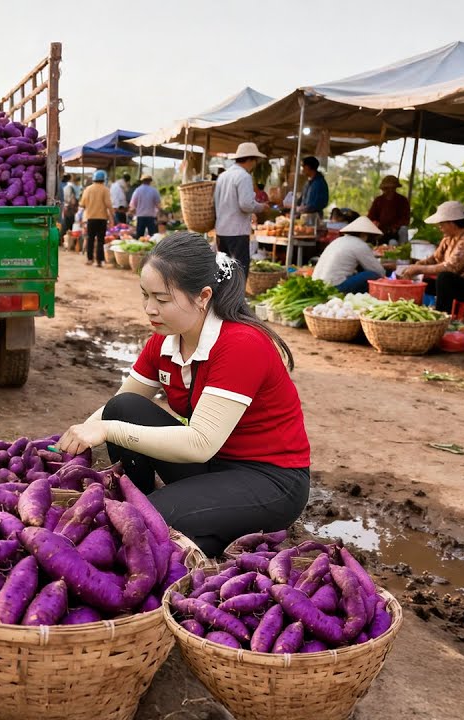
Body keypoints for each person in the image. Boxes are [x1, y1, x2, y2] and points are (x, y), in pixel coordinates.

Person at [56, 232, 309, 557]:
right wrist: (72, 440)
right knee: (123, 407)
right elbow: (117, 406)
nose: (150, 309)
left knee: (146, 526)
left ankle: (208, 531)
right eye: (145, 296)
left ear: (203, 296)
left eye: (162, 300)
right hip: (212, 466)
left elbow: (200, 443)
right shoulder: (164, 340)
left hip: (269, 479)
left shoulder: (241, 344)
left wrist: (106, 430)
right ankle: (149, 505)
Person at [398, 201, 464, 313]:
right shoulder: (448, 239)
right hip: (458, 284)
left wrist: (419, 269)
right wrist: (416, 266)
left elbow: (451, 267)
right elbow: (434, 259)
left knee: (444, 278)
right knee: (424, 283)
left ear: (451, 223)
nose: (439, 226)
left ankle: (442, 314)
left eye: (442, 223)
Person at [213, 142, 268, 271]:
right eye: (255, 160)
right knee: (239, 271)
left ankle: (223, 292)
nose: (255, 164)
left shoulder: (223, 176)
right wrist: (261, 207)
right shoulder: (244, 176)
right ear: (250, 160)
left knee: (224, 270)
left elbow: (216, 202)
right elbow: (246, 205)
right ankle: (236, 292)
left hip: (221, 230)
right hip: (236, 231)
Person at [312, 216, 386, 293]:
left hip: (318, 285)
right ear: (364, 235)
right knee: (372, 275)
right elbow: (380, 272)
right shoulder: (360, 244)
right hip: (335, 287)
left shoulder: (338, 240)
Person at [80, 170, 113, 266]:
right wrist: (112, 218)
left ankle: (89, 259)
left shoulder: (88, 189)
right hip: (102, 219)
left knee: (90, 239)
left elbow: (82, 204)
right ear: (103, 179)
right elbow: (108, 204)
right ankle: (99, 261)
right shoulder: (105, 189)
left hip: (90, 218)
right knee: (100, 240)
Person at [366, 175, 411, 241]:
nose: (389, 190)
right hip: (381, 231)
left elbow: (405, 219)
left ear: (395, 188)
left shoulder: (402, 200)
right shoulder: (378, 200)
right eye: (387, 188)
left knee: (403, 229)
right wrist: (375, 223)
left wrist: (394, 227)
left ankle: (402, 248)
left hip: (396, 231)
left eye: (392, 188)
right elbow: (371, 216)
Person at [60, 174, 80, 250]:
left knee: (66, 226)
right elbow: (73, 200)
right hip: (69, 210)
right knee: (68, 226)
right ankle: (66, 243)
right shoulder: (70, 188)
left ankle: (64, 242)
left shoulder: (66, 187)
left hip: (66, 209)